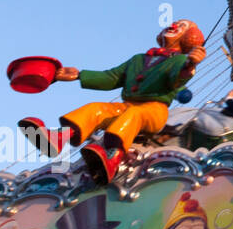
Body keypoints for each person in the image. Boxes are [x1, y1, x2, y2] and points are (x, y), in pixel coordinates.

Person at [19, 19, 208, 183]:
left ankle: (113, 158)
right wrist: (79, 75)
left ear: (188, 36)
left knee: (134, 115)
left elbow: (177, 78)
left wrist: (189, 65)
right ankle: (59, 137)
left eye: (181, 26)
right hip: (126, 105)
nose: (173, 25)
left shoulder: (179, 61)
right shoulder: (138, 59)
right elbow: (111, 77)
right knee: (97, 108)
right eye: (174, 23)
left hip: (153, 110)